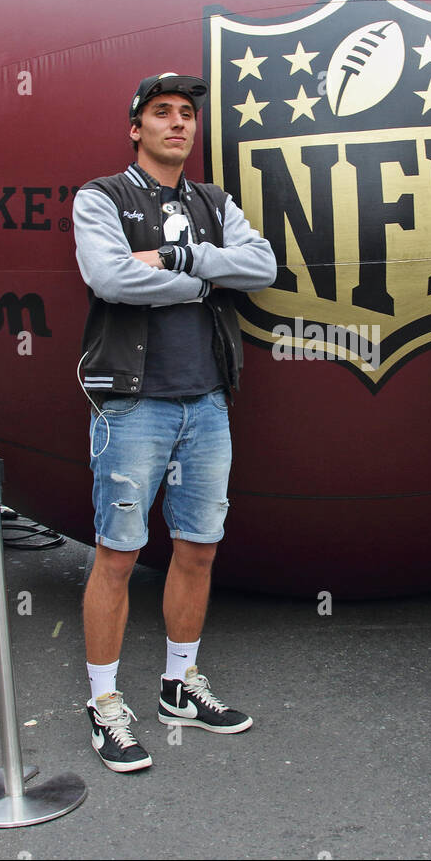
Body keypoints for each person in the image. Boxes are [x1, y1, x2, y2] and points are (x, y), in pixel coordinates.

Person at [73, 72, 277, 772]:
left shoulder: (214, 201)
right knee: (118, 553)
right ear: (136, 127)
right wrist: (204, 281)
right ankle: (104, 703)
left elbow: (262, 264)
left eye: (187, 114)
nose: (177, 124)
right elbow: (110, 277)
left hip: (208, 400)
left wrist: (181, 257)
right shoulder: (101, 196)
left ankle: (178, 685)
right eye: (161, 113)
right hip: (133, 401)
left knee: (197, 548)